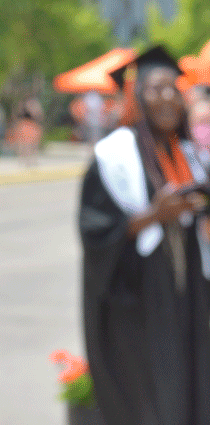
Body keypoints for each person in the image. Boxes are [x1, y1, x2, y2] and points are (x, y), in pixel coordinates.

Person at [78, 45, 210, 425]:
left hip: (187, 295)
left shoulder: (188, 152)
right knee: (152, 398)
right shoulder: (113, 157)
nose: (167, 97)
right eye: (155, 89)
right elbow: (95, 231)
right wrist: (153, 215)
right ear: (137, 97)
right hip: (139, 302)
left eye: (173, 89)